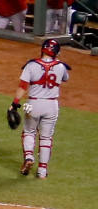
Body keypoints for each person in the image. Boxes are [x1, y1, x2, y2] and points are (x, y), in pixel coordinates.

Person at [16, 38, 69, 179]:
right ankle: (42, 172)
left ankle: (28, 157)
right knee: (46, 138)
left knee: (29, 132)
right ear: (56, 52)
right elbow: (65, 78)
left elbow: (22, 86)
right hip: (51, 105)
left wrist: (15, 103)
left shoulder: (31, 65)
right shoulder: (61, 66)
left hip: (34, 104)